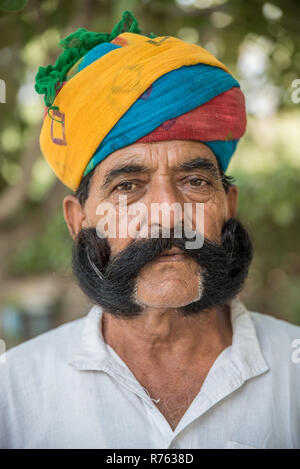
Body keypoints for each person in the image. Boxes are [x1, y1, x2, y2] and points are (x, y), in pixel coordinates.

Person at [0, 11, 299, 449]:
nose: (166, 214)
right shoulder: (13, 392)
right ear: (79, 221)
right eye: (127, 186)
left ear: (227, 210)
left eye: (195, 182)